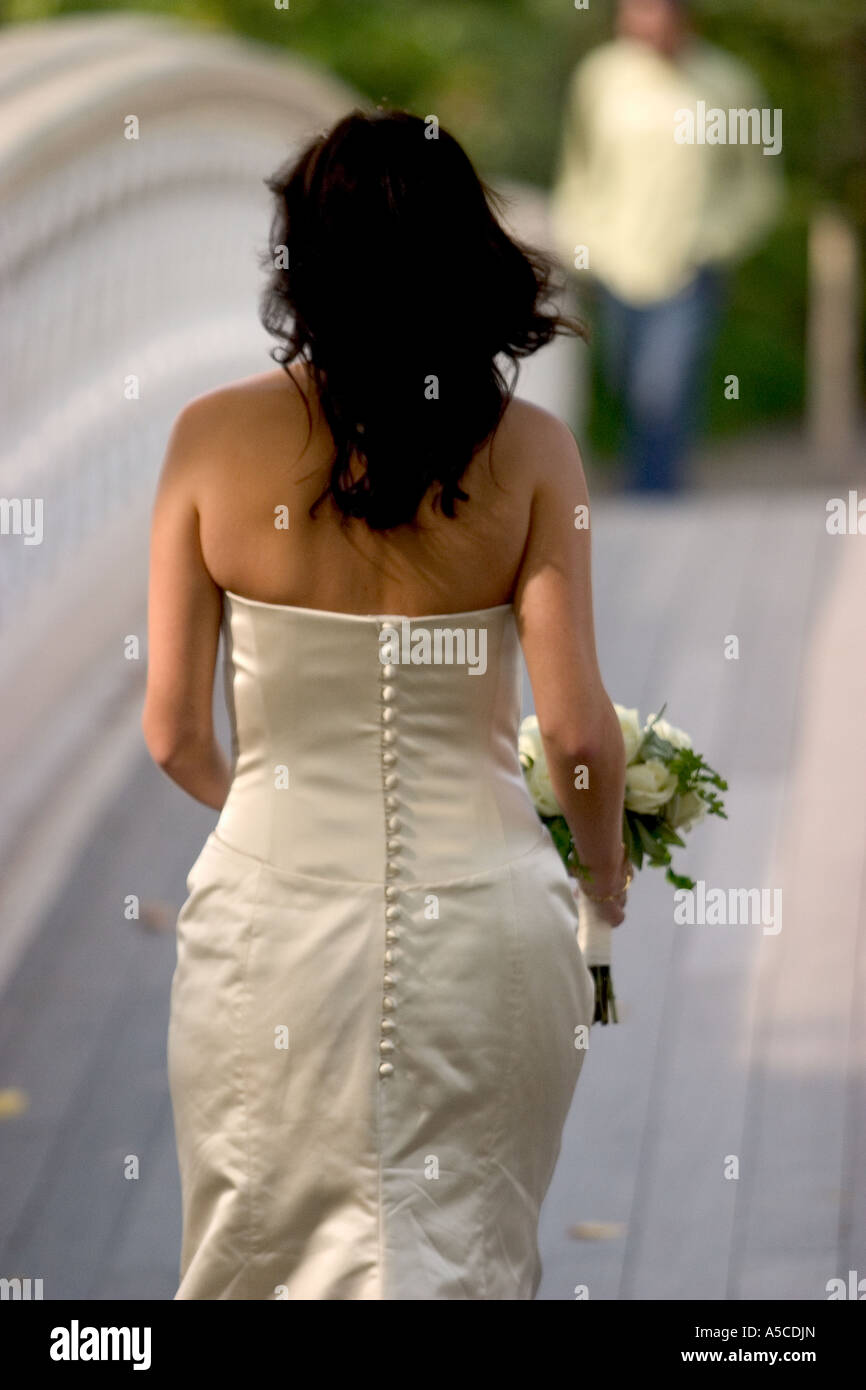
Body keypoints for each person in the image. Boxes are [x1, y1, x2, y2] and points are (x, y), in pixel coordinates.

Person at [142, 108, 628, 1301]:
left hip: (270, 928)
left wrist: (268, 814)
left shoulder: (208, 439)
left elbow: (173, 732)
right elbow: (573, 731)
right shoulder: (530, 451)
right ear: (469, 257)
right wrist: (602, 877)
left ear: (302, 260)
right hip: (489, 928)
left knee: (251, 1257)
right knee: (466, 1255)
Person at [551, 0, 782, 491]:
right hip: (615, 265)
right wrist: (580, 238)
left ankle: (657, 501)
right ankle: (648, 489)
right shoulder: (601, 78)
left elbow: (758, 183)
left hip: (689, 267)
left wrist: (720, 238)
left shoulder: (727, 84)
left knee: (665, 387)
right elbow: (580, 167)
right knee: (626, 382)